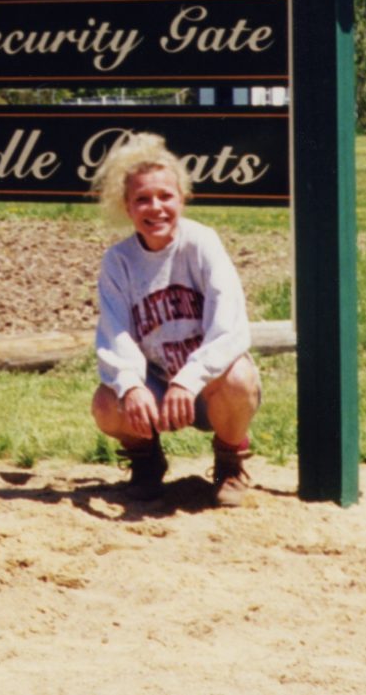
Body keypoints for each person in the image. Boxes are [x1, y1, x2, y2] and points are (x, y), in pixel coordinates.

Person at [90, 132, 261, 505]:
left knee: (240, 377)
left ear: (182, 198)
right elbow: (115, 335)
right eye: (142, 199)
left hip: (206, 386)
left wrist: (189, 379)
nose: (156, 208)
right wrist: (132, 386)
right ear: (127, 206)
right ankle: (146, 464)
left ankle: (230, 461)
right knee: (106, 403)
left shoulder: (201, 244)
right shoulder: (118, 261)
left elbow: (229, 329)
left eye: (165, 196)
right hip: (157, 386)